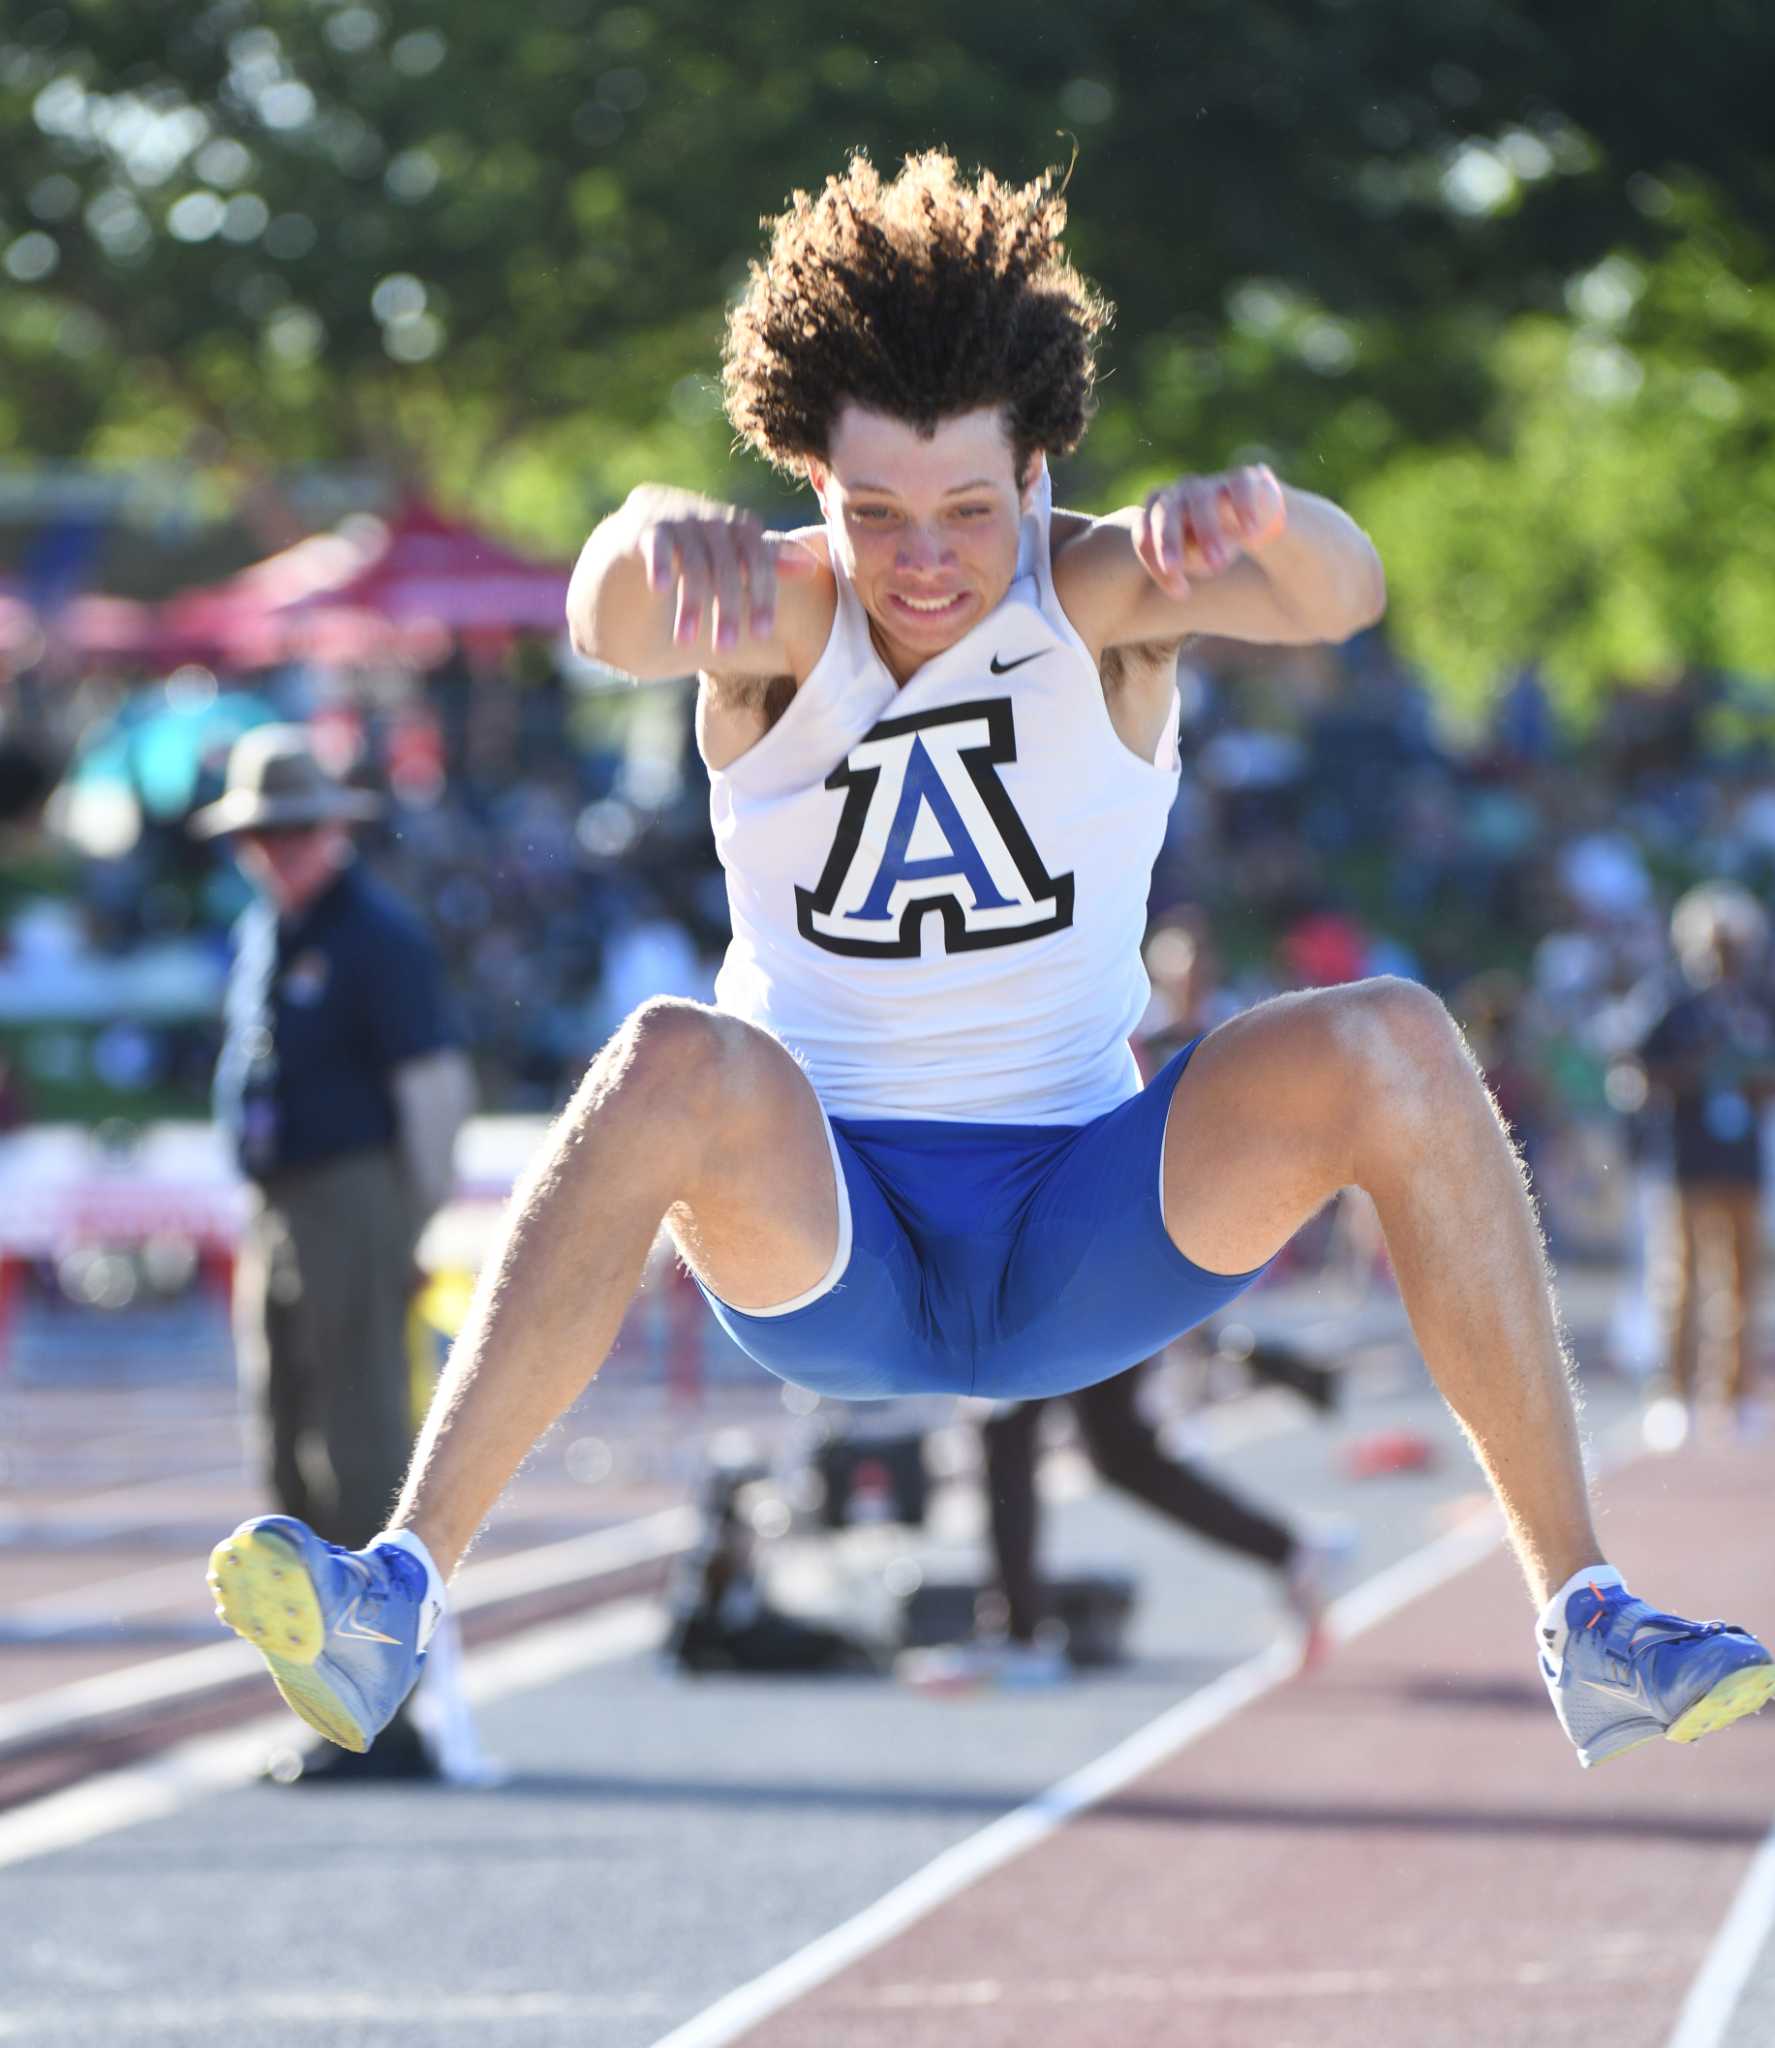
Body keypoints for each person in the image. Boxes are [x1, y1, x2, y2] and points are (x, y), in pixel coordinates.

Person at [209, 151, 1771, 1772]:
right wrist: (639, 525)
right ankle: (399, 1585)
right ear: (809, 479)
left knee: (1392, 1035)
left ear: (1037, 478)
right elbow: (610, 620)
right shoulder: (780, 617)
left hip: (1083, 1222)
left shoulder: (1097, 589)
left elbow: (1342, 596)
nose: (926, 560)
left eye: (967, 509)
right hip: (834, 1238)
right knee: (675, 1048)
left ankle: (1585, 1612)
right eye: (873, 511)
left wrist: (1262, 516)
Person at [195, 724, 476, 1781]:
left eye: (296, 827)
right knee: (285, 1445)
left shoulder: (376, 936)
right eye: (262, 832)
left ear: (334, 828)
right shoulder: (276, 927)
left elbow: (433, 1089)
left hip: (356, 1195)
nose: (278, 847)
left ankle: (385, 1711)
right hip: (280, 1201)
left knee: (358, 1444)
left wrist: (408, 1223)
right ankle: (330, 1706)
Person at [1637, 882, 1775, 1450]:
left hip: (1742, 1160)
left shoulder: (1759, 1003)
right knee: (1682, 1278)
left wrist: (1747, 1078)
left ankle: (1738, 1393)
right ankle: (1676, 1392)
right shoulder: (1671, 1002)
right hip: (1687, 1160)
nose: (1725, 957)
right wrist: (1698, 1072)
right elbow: (1640, 1070)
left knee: (1745, 1282)